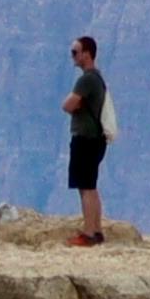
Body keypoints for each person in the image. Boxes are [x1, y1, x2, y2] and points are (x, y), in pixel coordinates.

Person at [64, 35, 111, 245]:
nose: (72, 56)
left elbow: (67, 105)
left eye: (75, 52)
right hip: (96, 139)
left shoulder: (87, 79)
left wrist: (76, 104)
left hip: (85, 138)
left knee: (86, 187)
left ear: (87, 54)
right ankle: (97, 230)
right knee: (90, 184)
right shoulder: (97, 78)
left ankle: (89, 233)